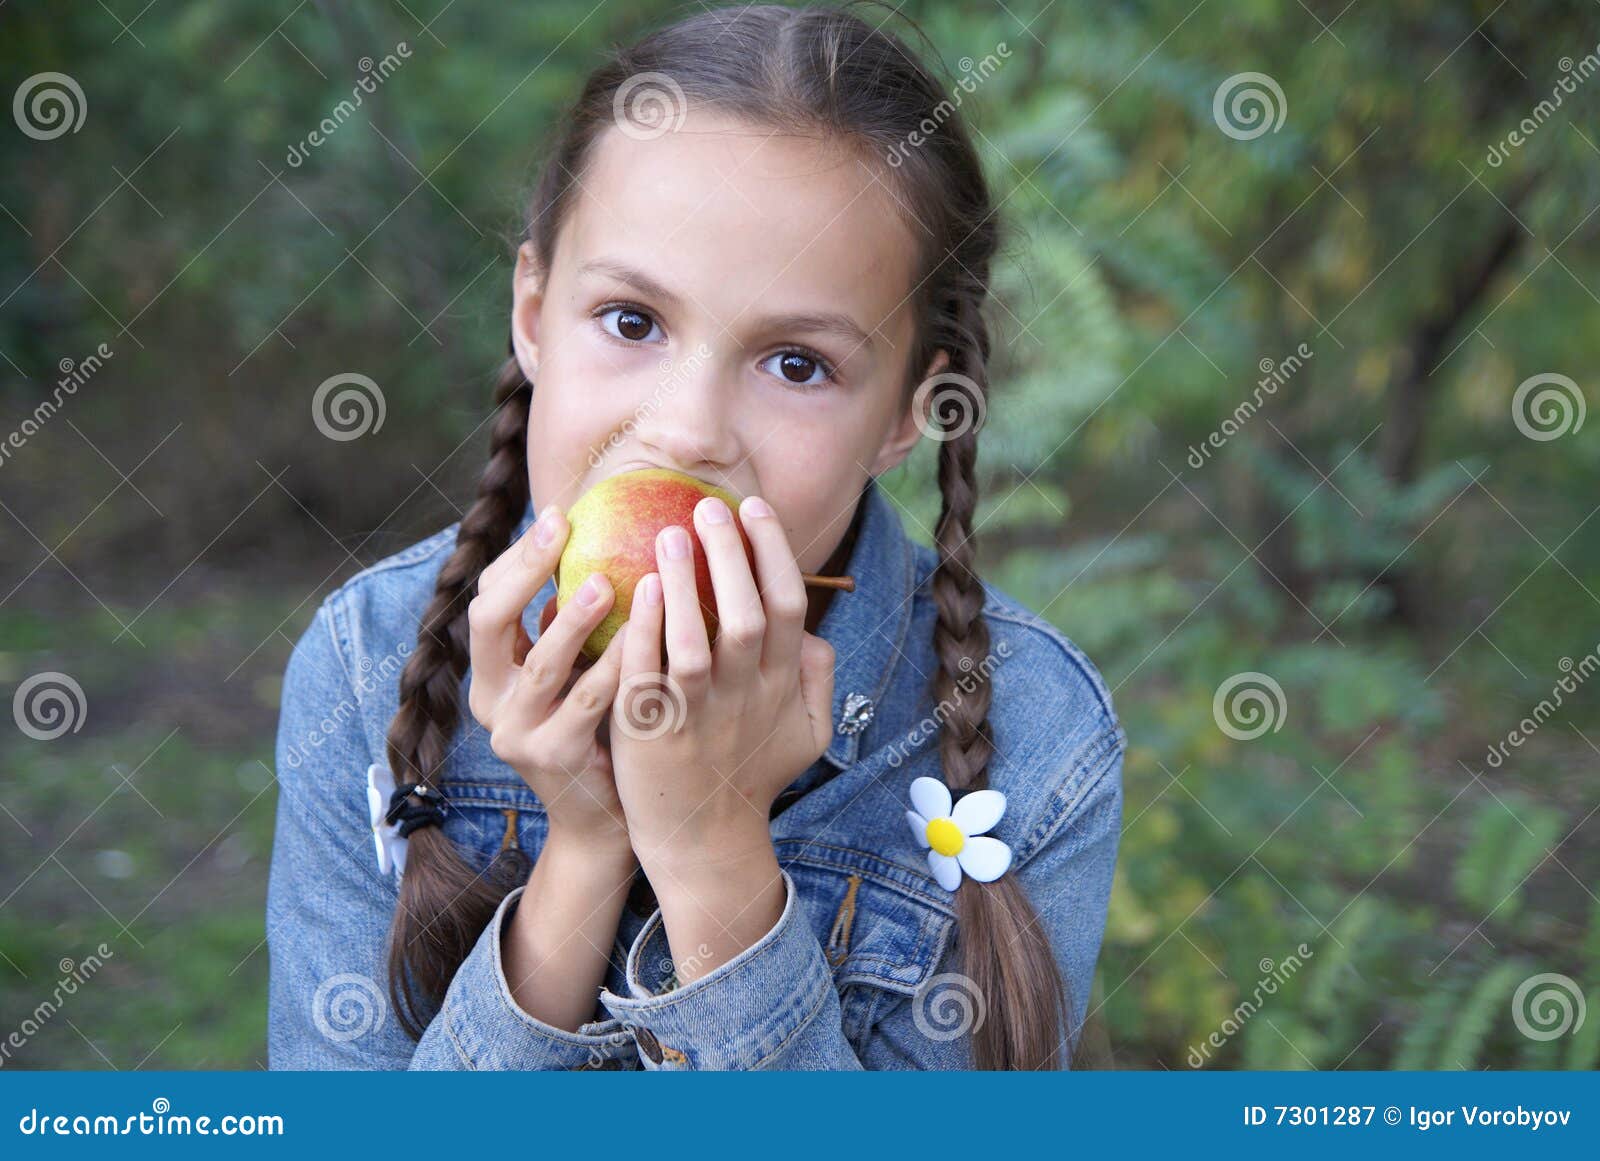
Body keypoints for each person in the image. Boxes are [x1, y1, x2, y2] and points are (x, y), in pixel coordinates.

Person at [267, 2, 1125, 1070]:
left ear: (909, 413)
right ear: (533, 314)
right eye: (632, 321)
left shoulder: (1035, 735)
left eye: (797, 364)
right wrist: (584, 853)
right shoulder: (367, 664)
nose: (684, 430)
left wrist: (712, 854)